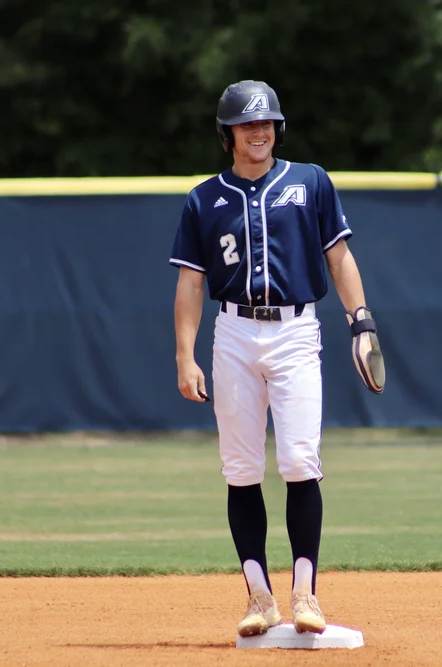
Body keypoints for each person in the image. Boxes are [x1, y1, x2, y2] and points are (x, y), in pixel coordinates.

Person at [169, 80, 384, 638]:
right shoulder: (204, 198)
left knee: (298, 461)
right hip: (233, 331)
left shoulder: (309, 181)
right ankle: (259, 597)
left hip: (296, 331)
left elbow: (339, 255)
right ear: (228, 135)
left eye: (266, 123)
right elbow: (192, 283)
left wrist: (360, 320)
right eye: (247, 124)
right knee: (240, 471)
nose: (259, 131)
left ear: (277, 129)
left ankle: (305, 594)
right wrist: (184, 356)